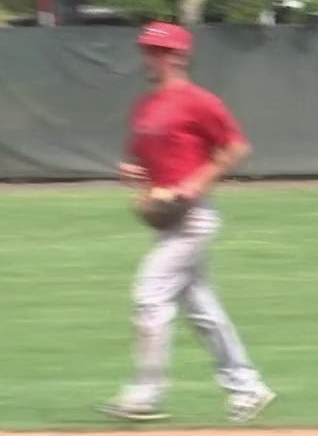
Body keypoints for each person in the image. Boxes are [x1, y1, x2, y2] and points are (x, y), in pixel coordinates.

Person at [98, 21, 276, 423]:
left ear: (180, 56)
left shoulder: (199, 101)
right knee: (202, 311)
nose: (150, 56)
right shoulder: (144, 105)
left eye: (158, 50)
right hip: (167, 218)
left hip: (193, 218)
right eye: (147, 49)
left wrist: (192, 186)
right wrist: (134, 172)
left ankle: (146, 393)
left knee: (149, 294)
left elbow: (235, 148)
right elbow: (143, 161)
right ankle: (248, 388)